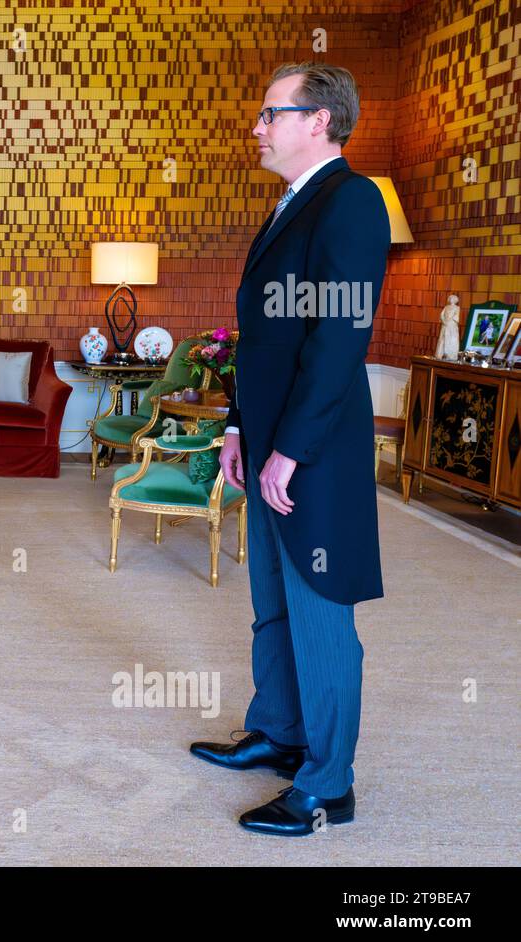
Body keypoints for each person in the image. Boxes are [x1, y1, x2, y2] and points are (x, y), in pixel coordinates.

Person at [190, 63, 391, 836]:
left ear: (320, 121)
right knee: (270, 606)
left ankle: (328, 786)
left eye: (271, 113)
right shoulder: (288, 207)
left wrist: (292, 452)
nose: (258, 127)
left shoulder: (352, 202)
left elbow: (339, 342)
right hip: (270, 442)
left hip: (313, 457)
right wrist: (241, 427)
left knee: (321, 615)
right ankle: (278, 731)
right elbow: (264, 341)